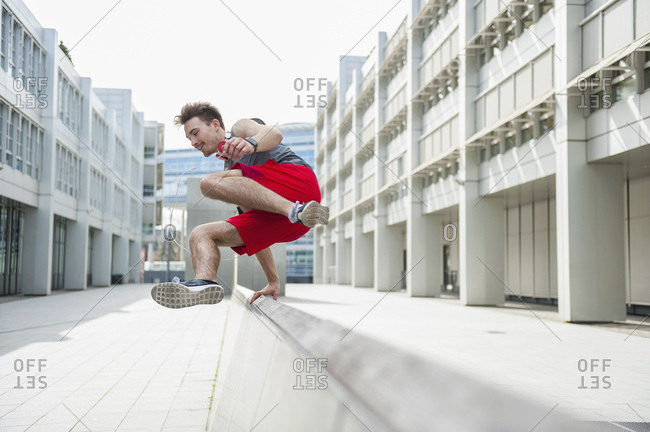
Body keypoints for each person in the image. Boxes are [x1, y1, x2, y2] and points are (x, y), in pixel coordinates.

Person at [151, 102, 328, 309]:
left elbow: (275, 134)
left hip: (297, 181)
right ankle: (205, 283)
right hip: (289, 223)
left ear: (215, 124)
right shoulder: (234, 179)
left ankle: (295, 210)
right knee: (200, 235)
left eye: (195, 133)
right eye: (189, 138)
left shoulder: (239, 129)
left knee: (209, 182)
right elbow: (257, 233)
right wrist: (273, 280)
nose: (193, 142)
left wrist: (251, 143)